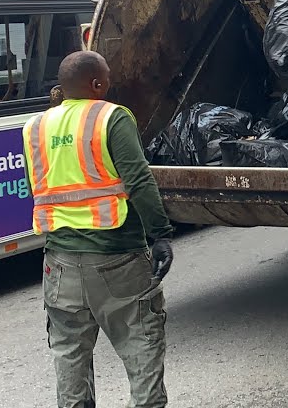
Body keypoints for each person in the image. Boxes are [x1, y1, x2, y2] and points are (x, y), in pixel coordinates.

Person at [23, 51, 175, 408]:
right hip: (116, 257)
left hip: (58, 263)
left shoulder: (36, 126)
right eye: (107, 76)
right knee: (142, 345)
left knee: (69, 356)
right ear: (96, 84)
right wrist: (161, 235)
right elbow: (138, 180)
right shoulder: (111, 117)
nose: (111, 82)